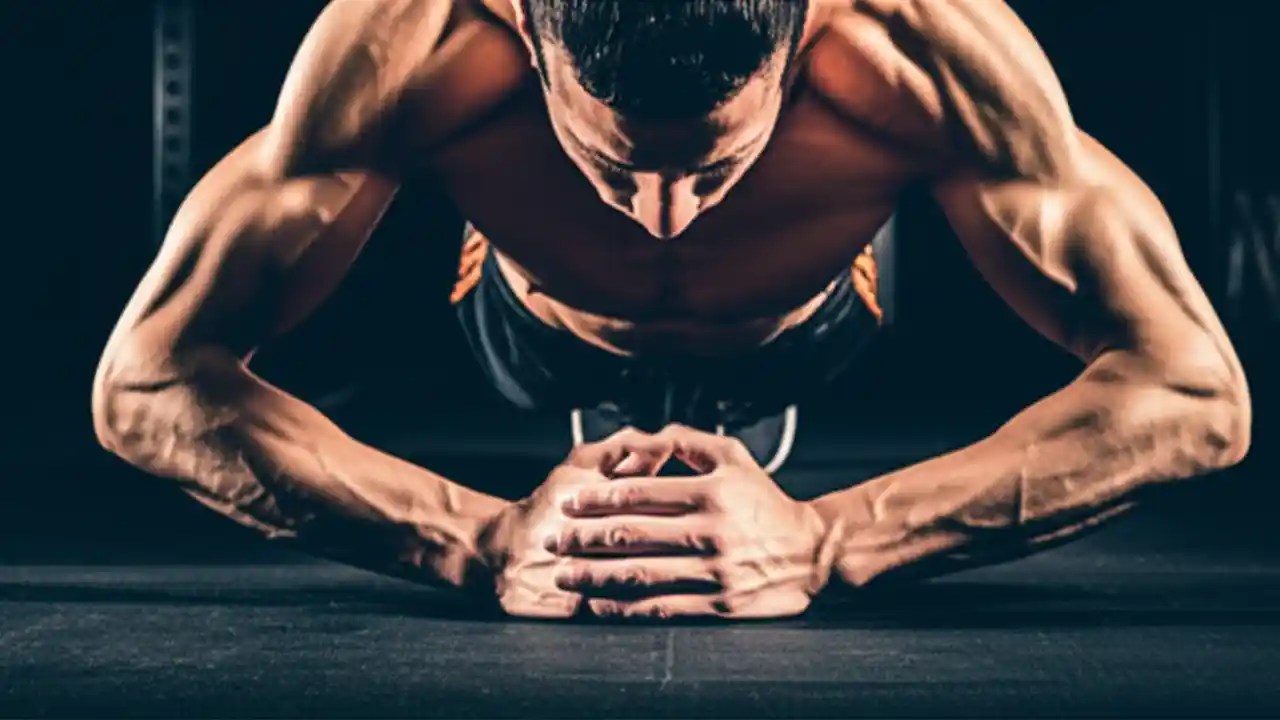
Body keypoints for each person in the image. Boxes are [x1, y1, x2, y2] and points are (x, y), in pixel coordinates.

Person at [92, 0, 1252, 620]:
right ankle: (569, 308)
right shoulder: (415, 38)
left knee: (829, 256)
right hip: (529, 327)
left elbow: (1192, 393)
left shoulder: (922, 47)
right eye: (609, 171)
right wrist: (477, 539)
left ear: (797, 43)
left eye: (713, 169)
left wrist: (825, 539)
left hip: (807, 328)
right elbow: (148, 381)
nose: (662, 220)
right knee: (535, 304)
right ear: (533, 42)